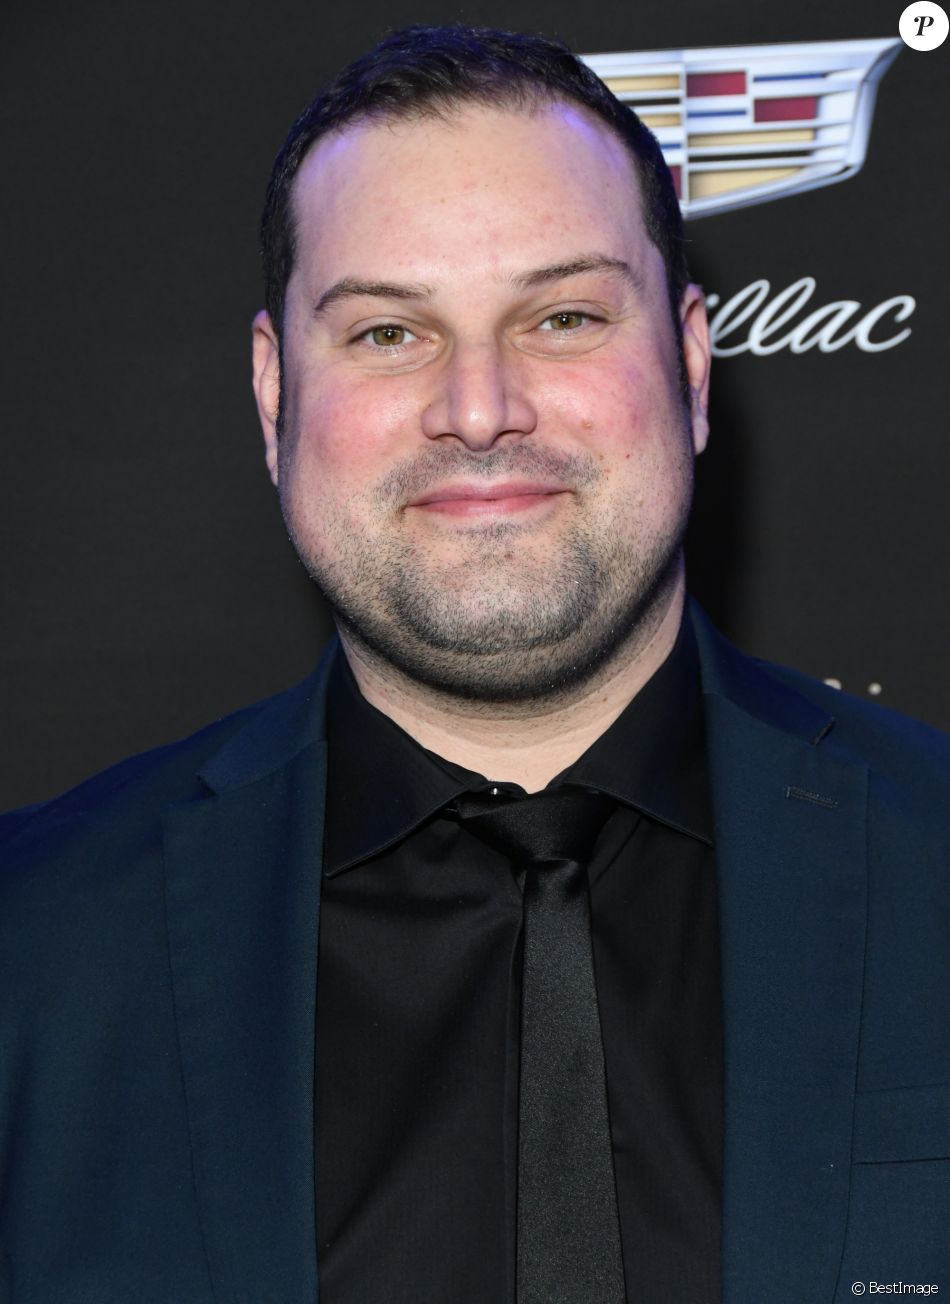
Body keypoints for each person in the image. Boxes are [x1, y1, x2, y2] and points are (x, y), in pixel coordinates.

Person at [1, 23, 948, 1304]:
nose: (481, 404)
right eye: (389, 334)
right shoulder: (37, 944)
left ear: (690, 363)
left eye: (560, 315)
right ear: (276, 400)